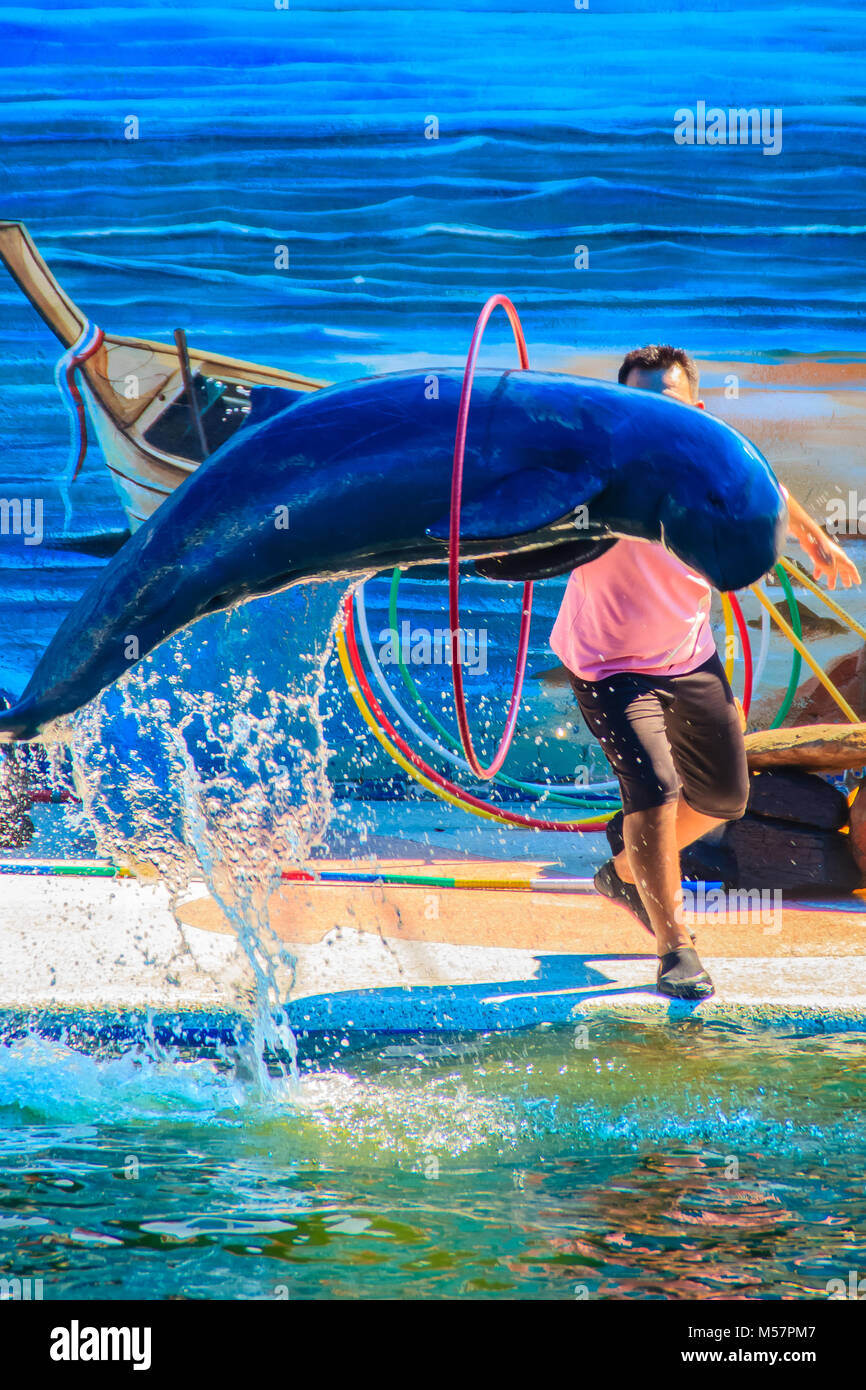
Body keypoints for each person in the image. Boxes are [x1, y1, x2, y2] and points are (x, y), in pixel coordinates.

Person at [550, 344, 861, 1000]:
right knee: (655, 792)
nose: (655, 418)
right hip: (607, 664)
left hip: (686, 655)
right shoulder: (595, 468)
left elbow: (766, 488)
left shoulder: (716, 462)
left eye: (668, 404)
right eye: (640, 404)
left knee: (725, 797)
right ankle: (675, 948)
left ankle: (622, 871)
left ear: (694, 410)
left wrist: (811, 538)